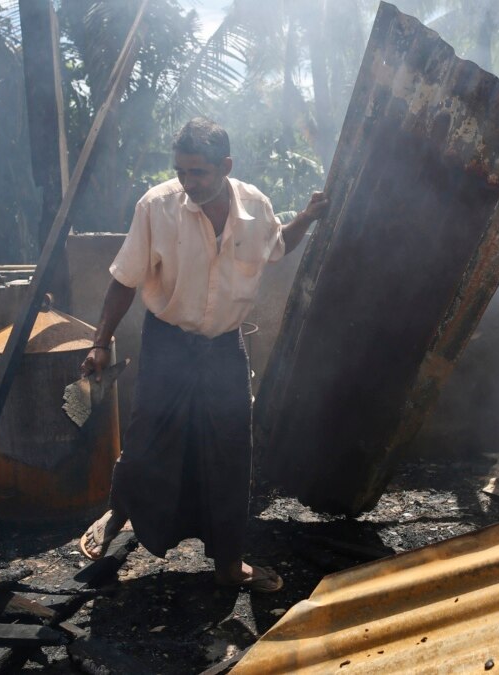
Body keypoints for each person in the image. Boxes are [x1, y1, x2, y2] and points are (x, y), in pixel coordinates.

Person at [77, 117, 328, 592]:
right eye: (182, 173)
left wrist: (308, 218)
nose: (188, 184)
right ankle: (118, 515)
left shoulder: (256, 206)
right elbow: (124, 279)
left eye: (199, 174)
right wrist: (100, 341)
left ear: (225, 166)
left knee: (232, 453)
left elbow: (276, 247)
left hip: (224, 349)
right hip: (167, 343)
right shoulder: (157, 206)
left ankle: (230, 564)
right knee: (146, 441)